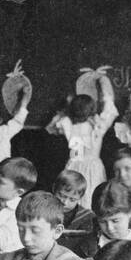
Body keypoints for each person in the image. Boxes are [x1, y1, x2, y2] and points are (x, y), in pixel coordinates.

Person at [47, 76, 118, 206]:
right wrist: (104, 83)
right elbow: (110, 108)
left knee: (71, 199)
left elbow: (50, 128)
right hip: (93, 166)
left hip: (74, 164)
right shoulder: (97, 125)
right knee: (93, 199)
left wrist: (66, 110)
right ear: (92, 109)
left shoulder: (67, 123)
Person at [52, 169, 97, 258]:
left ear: (80, 198)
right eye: (61, 195)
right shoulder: (42, 209)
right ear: (54, 188)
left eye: (72, 199)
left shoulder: (87, 217)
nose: (65, 202)